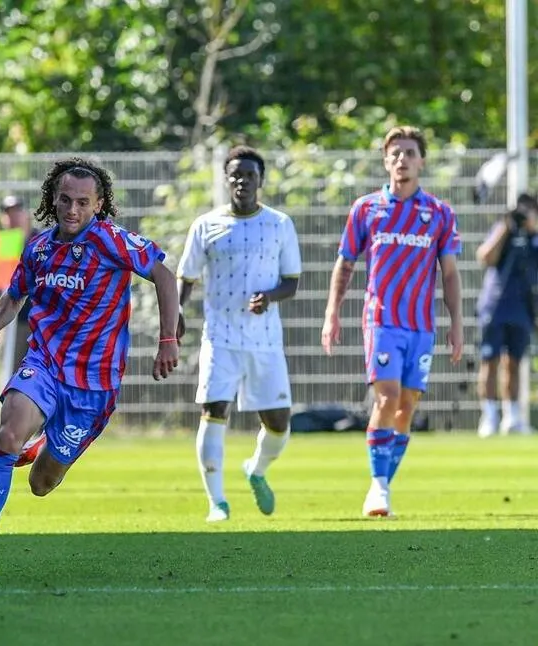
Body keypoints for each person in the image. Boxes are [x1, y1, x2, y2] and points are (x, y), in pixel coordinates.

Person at [0, 158, 180, 546]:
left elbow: (164, 276)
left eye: (83, 202)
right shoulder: (38, 249)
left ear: (98, 204)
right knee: (7, 436)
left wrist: (168, 339)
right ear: (54, 198)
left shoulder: (111, 241)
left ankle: (45, 442)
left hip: (93, 386)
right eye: (65, 200)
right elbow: (15, 294)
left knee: (41, 483)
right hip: (44, 364)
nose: (72, 210)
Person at [322, 125, 463, 518]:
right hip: (381, 321)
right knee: (386, 398)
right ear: (386, 161)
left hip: (422, 326)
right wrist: (332, 312)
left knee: (406, 406)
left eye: (410, 153)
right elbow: (345, 264)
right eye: (396, 153)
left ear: (422, 161)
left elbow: (450, 274)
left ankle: (384, 481)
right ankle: (378, 486)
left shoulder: (439, 214)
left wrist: (457, 324)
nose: (402, 159)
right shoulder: (366, 209)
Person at [176, 145, 302, 522]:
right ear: (226, 180)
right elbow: (187, 276)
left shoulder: (279, 224)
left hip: (264, 341)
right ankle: (216, 502)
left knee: (278, 425)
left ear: (260, 180)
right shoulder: (206, 225)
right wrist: (176, 313)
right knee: (214, 411)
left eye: (249, 175)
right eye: (235, 175)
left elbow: (291, 282)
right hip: (221, 338)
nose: (242, 181)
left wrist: (269, 297)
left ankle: (256, 469)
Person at [474, 193, 538, 436]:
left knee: (514, 363)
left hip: (522, 309)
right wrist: (505, 226)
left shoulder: (533, 237)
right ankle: (489, 416)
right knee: (489, 361)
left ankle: (512, 417)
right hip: (495, 306)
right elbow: (485, 257)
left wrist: (533, 229)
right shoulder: (502, 230)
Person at [0, 195, 39, 369]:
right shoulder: (2, 246)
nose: (13, 218)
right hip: (14, 321)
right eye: (8, 214)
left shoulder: (41, 241)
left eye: (17, 212)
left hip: (40, 319)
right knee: (13, 369)